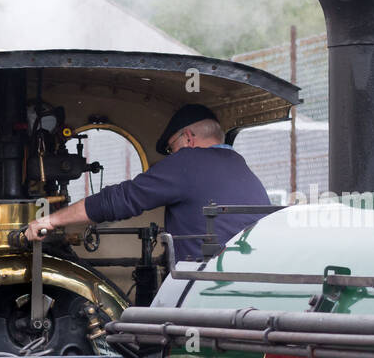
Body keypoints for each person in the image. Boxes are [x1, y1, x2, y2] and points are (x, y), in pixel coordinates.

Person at [25, 104, 270, 261]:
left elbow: (121, 200)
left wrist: (50, 220)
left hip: (204, 286)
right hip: (244, 278)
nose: (174, 155)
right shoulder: (239, 165)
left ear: (188, 138)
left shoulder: (189, 161)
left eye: (172, 148)